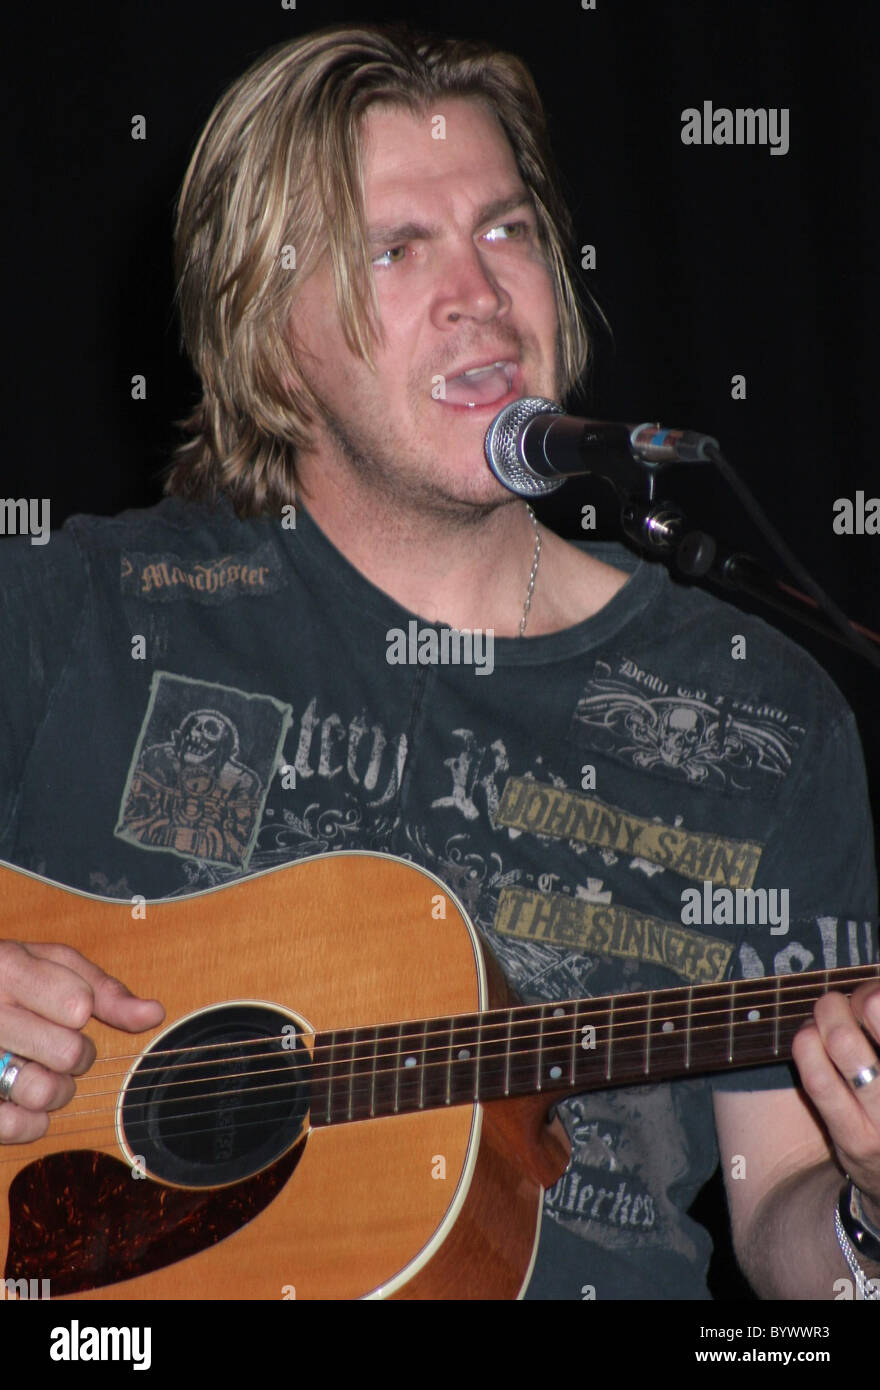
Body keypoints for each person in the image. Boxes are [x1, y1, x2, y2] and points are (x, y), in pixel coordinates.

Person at [1, 21, 879, 1301]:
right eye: (395, 248)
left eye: (508, 230)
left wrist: (863, 1212)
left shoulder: (753, 709)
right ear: (265, 334)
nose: (480, 289)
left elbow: (784, 1219)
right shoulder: (84, 608)